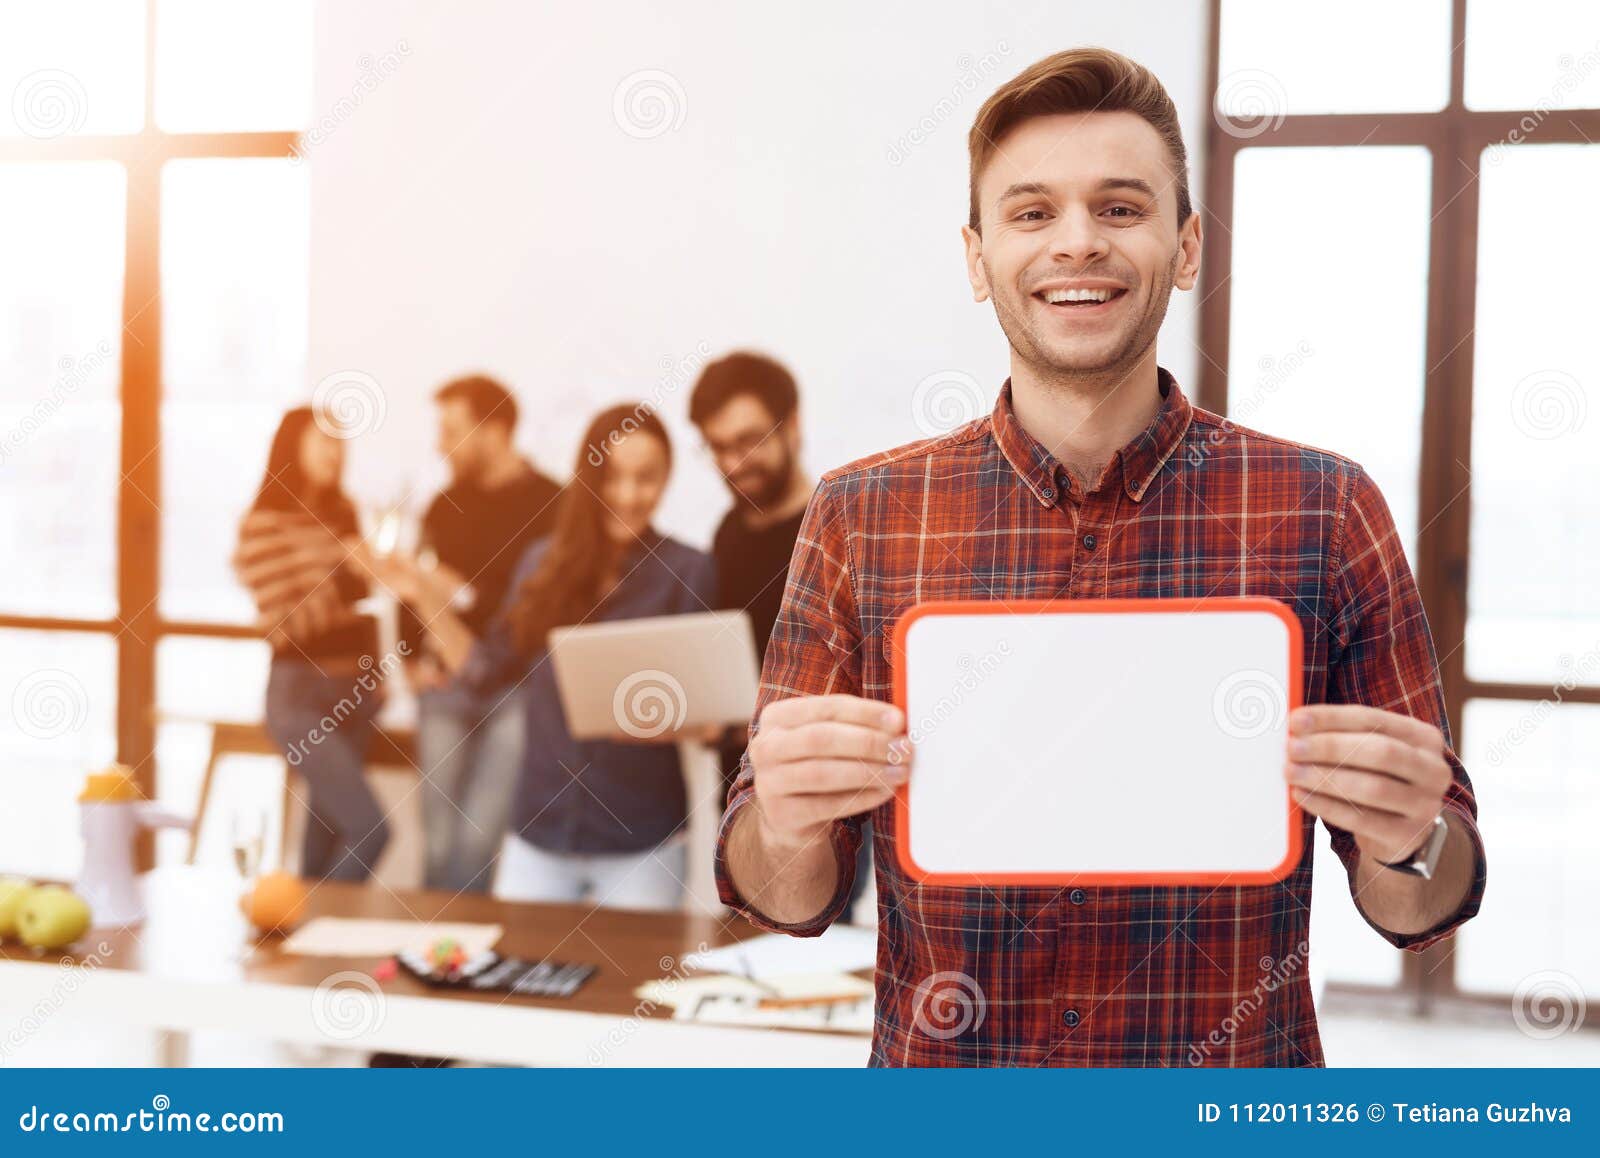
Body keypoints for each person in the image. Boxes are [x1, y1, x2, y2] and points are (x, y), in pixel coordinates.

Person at [715, 47, 1487, 1067]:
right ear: (977, 258)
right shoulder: (861, 515)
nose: (1077, 241)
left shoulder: (1327, 509)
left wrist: (1409, 838)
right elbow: (784, 898)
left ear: (1187, 245)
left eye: (1120, 208)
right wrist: (784, 826)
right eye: (1032, 213)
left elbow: (1422, 903)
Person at [382, 404, 714, 910]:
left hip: (642, 838)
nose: (628, 496)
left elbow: (711, 716)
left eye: (646, 478)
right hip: (539, 832)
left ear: (666, 478)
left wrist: (668, 718)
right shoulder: (542, 563)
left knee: (635, 966)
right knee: (514, 961)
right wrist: (424, 598)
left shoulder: (688, 572)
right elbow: (484, 671)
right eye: (613, 478)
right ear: (589, 478)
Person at [688, 351, 871, 921]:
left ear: (792, 425)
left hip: (821, 814)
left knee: (813, 955)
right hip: (738, 800)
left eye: (747, 441)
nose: (733, 463)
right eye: (718, 447)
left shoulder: (840, 528)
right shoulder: (727, 533)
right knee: (739, 952)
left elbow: (865, 679)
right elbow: (729, 660)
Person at [398, 375, 562, 893]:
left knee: (477, 840)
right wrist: (410, 661)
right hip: (446, 688)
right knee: (438, 842)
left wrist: (465, 594)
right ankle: (431, 940)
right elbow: (412, 591)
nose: (440, 445)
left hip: (515, 692)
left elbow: (536, 611)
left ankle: (462, 942)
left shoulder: (554, 505)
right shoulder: (442, 506)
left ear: (493, 432)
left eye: (451, 431)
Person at [235, 407, 389, 882]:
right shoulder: (262, 524)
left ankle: (309, 921)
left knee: (326, 832)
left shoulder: (343, 515)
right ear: (292, 447)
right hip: (300, 695)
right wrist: (344, 576)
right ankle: (316, 913)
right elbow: (284, 625)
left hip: (355, 691)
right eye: (323, 441)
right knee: (371, 828)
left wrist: (376, 669)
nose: (335, 453)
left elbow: (363, 608)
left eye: (340, 443)